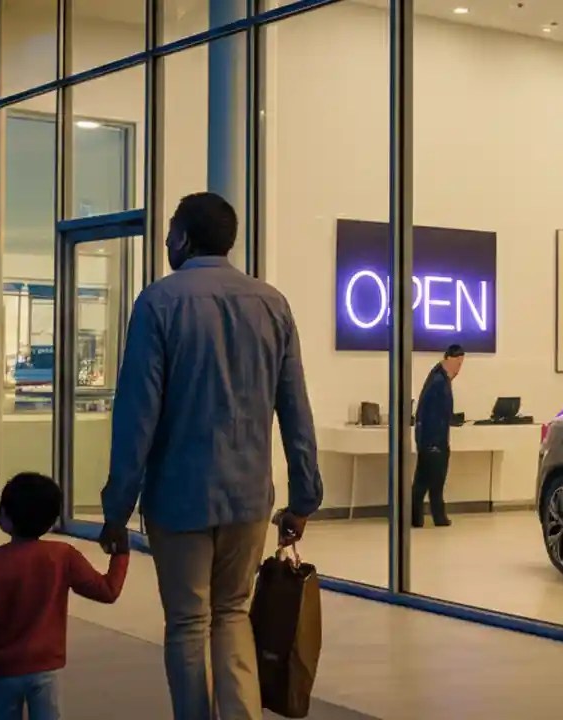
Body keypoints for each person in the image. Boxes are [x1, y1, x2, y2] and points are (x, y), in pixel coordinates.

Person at [99, 192, 324, 720]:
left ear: (183, 237)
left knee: (187, 623)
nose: (166, 240)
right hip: (248, 497)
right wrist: (303, 499)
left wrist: (117, 507)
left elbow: (136, 417)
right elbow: (296, 408)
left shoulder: (158, 303)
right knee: (232, 614)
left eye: (170, 231)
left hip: (179, 498)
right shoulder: (272, 304)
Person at [0, 473, 129, 720]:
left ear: (6, 517)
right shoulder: (63, 556)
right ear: (52, 519)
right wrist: (121, 553)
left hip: (2, 669)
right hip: (45, 666)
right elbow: (108, 591)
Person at [412, 344, 466, 528]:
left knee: (425, 480)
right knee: (432, 480)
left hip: (430, 438)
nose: (459, 369)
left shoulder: (438, 378)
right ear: (449, 359)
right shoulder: (439, 382)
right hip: (434, 439)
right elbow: (432, 414)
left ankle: (420, 517)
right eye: (458, 363)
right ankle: (436, 517)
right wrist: (434, 443)